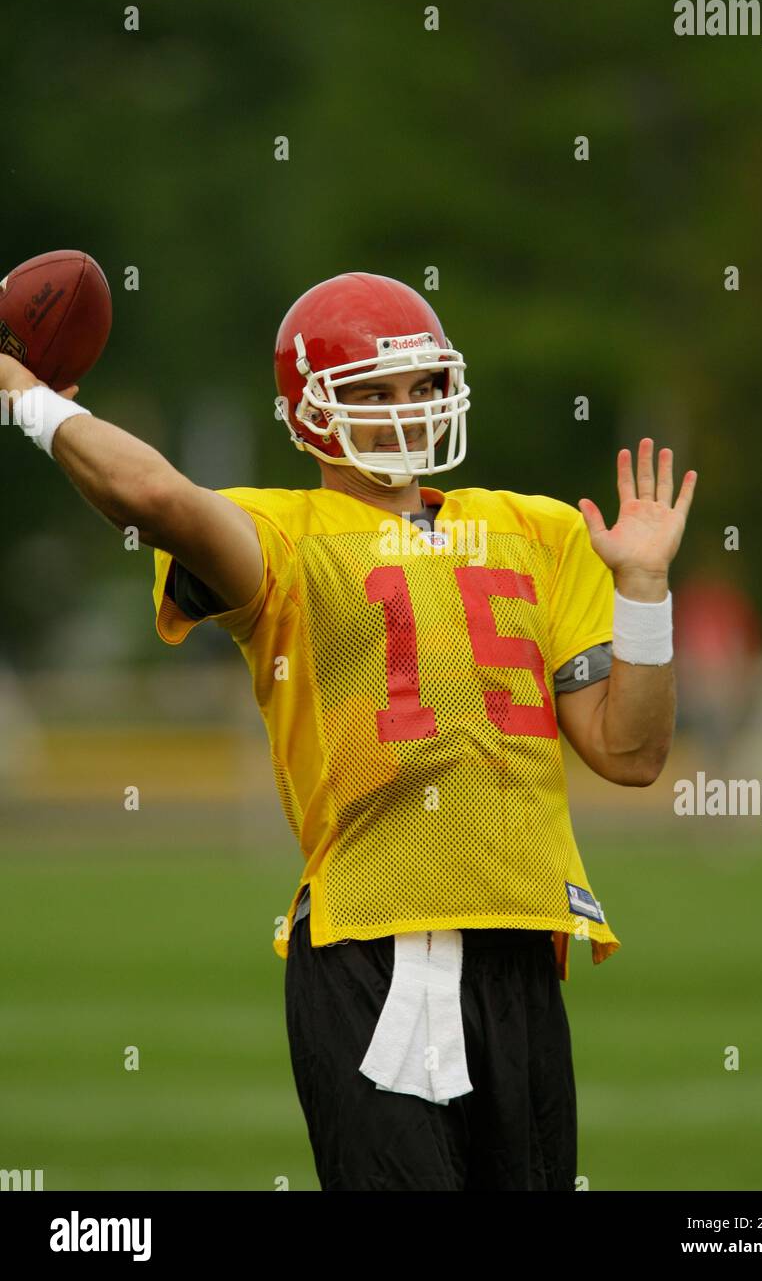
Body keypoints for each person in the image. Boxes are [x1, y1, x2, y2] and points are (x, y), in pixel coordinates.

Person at [1, 271, 696, 1191]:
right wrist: (29, 400)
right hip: (373, 946)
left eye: (420, 387)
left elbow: (633, 752)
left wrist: (644, 590)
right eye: (370, 392)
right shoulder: (284, 535)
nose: (404, 413)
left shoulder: (540, 531)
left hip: (525, 951)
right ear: (309, 412)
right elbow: (154, 498)